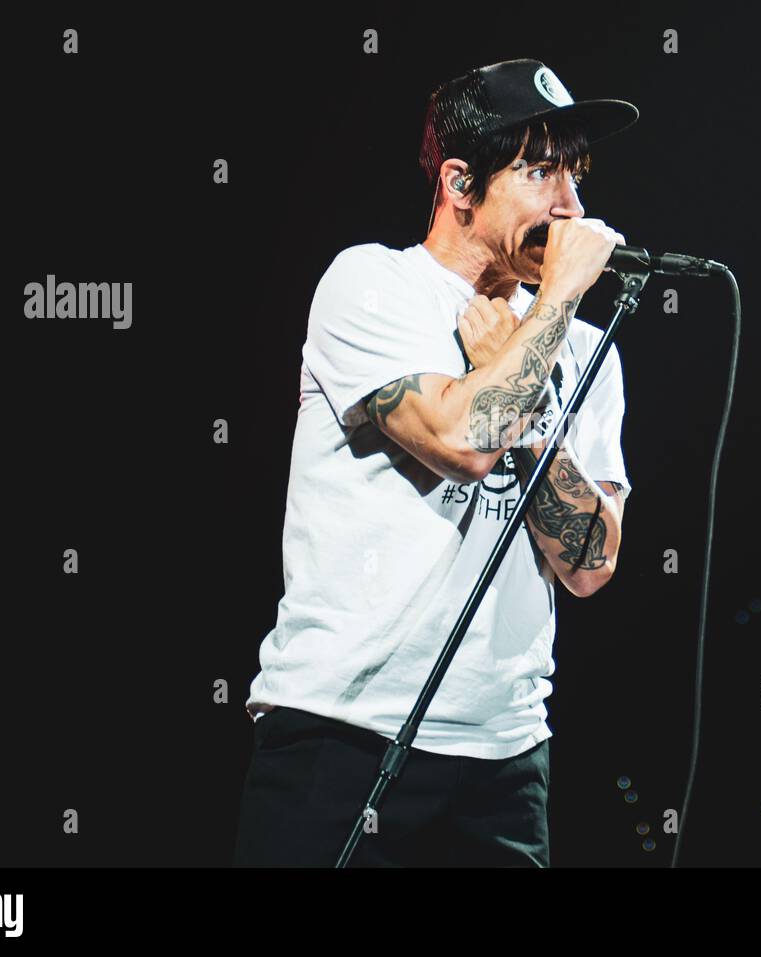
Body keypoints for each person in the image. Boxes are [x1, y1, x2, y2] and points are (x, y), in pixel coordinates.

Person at [234, 58, 638, 867]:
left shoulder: (587, 350)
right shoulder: (371, 286)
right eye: (540, 170)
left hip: (506, 757)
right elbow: (461, 441)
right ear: (459, 183)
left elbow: (591, 562)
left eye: (576, 175)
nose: (571, 206)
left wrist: (531, 417)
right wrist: (558, 298)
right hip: (343, 733)